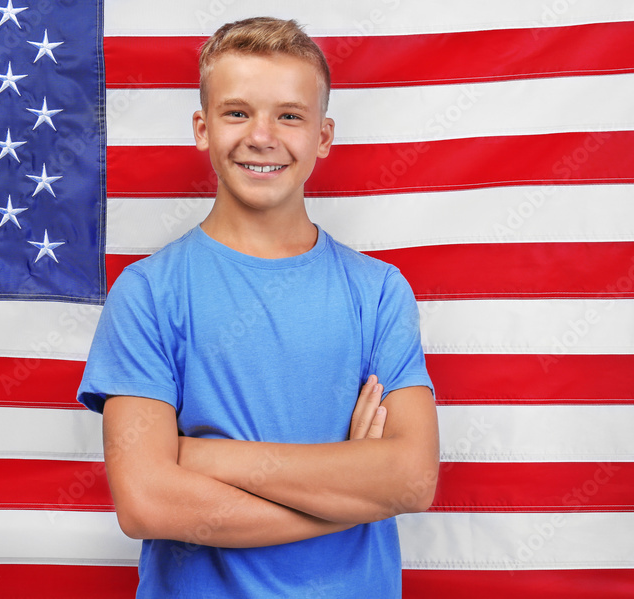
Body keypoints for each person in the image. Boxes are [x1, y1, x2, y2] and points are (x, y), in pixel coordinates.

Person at [77, 16, 438, 598]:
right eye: (237, 112)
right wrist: (351, 496)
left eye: (289, 115)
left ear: (323, 136)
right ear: (202, 128)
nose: (262, 136)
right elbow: (146, 503)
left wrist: (199, 458)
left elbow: (413, 478)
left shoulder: (378, 290)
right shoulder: (148, 292)